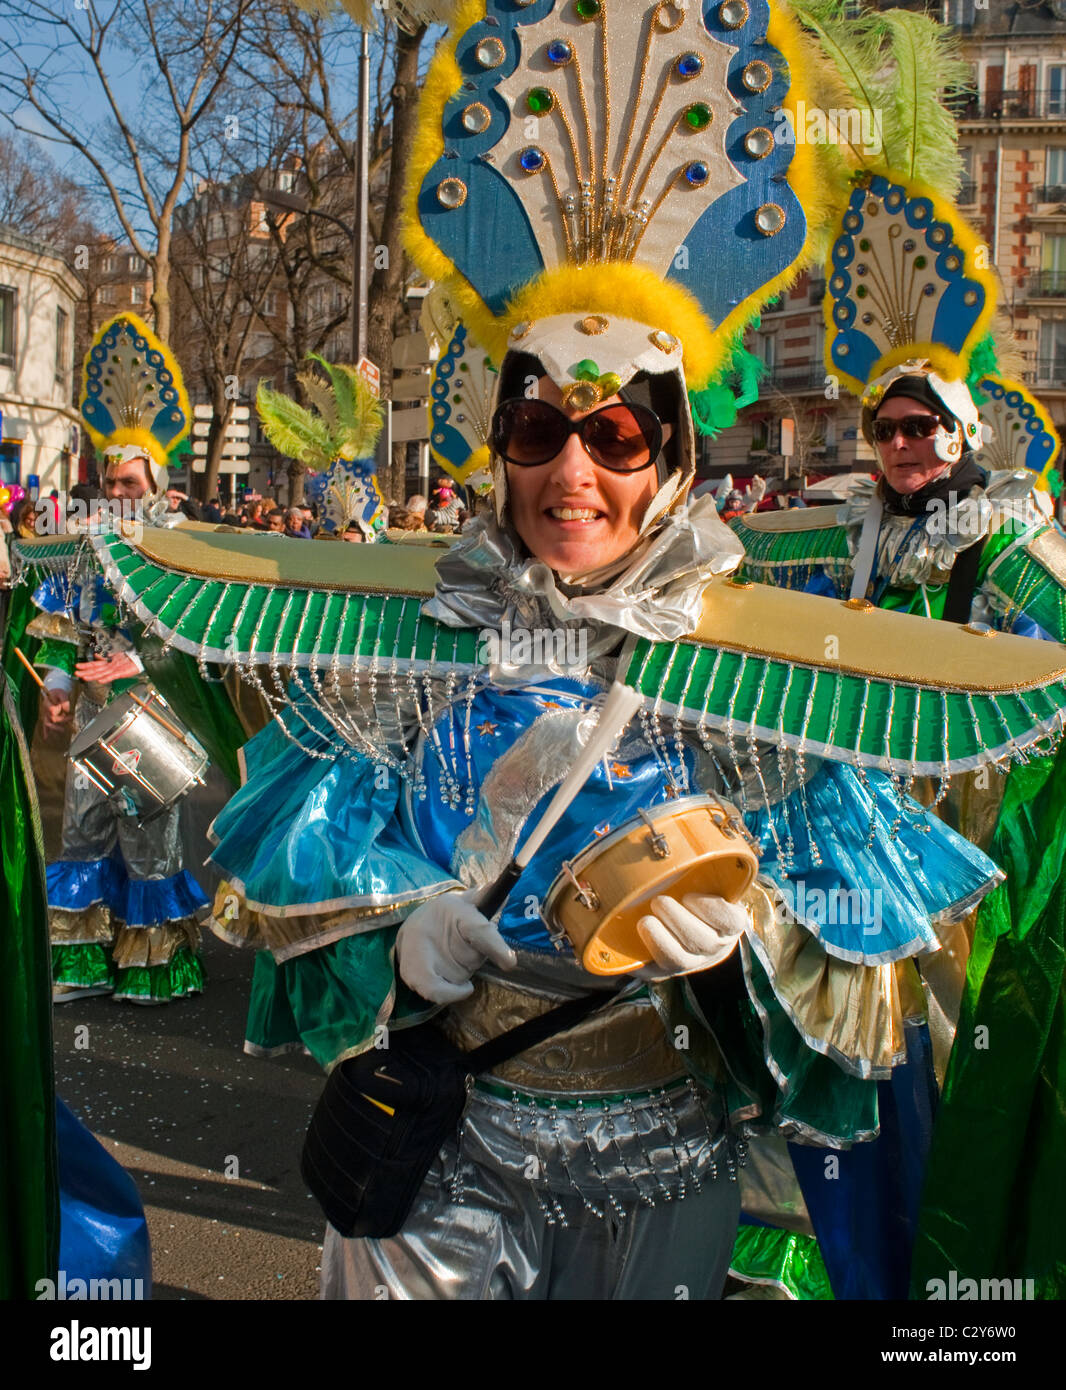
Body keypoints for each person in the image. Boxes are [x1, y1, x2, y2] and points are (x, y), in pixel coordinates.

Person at [28, 313, 209, 1005]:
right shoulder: (85, 547)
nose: (121, 496)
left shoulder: (181, 552)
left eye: (133, 485)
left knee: (148, 832)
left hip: (156, 709)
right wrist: (55, 686)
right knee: (82, 831)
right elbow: (63, 630)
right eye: (114, 485)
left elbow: (196, 638)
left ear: (156, 483)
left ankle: (154, 966)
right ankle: (82, 964)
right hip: (94, 712)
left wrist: (139, 666)